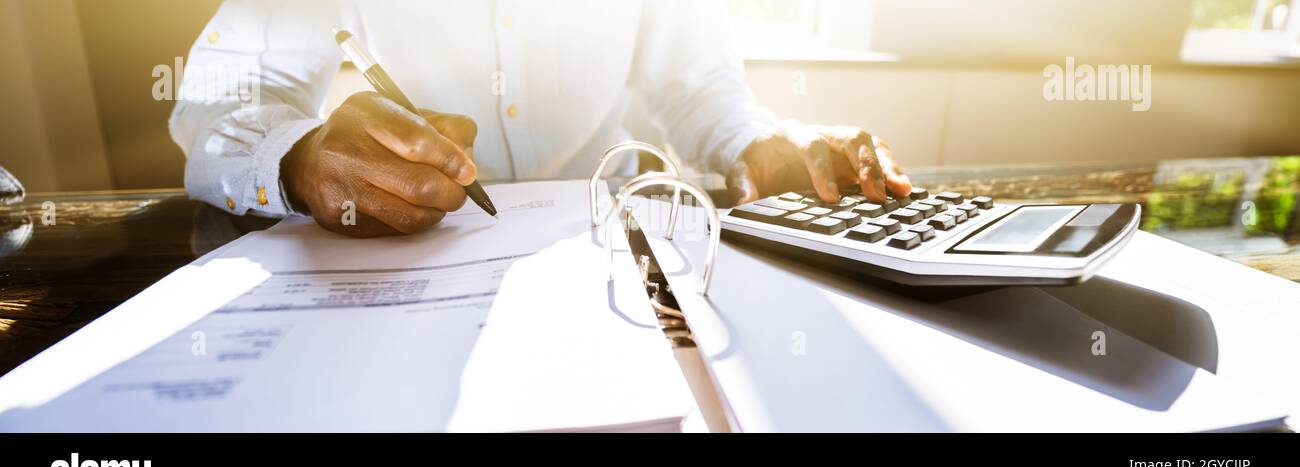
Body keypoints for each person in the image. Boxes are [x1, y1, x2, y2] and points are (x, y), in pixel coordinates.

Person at [171, 0, 911, 237]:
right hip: (409, 255)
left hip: (621, 245)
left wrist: (755, 138)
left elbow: (694, 86)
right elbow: (223, 91)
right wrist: (300, 157)